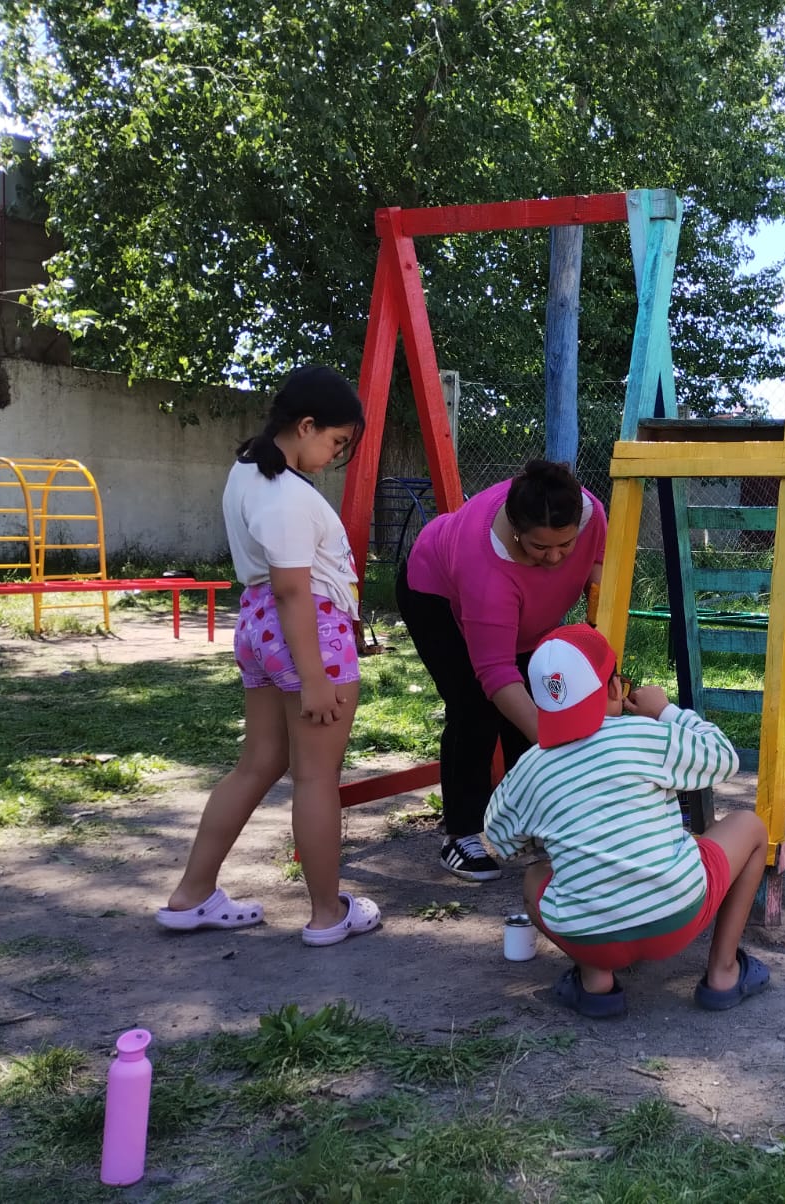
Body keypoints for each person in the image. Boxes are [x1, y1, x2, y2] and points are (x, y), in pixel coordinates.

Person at [156, 365, 381, 946]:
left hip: (256, 625)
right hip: (305, 632)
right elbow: (292, 588)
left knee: (257, 763)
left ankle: (191, 895)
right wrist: (313, 677)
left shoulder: (247, 473)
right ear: (306, 425)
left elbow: (274, 590)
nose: (334, 456)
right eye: (335, 442)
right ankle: (328, 914)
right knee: (316, 777)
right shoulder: (283, 494)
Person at [483, 625, 771, 1018]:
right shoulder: (645, 734)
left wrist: (547, 834)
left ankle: (595, 982)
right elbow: (723, 756)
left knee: (536, 876)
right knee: (750, 826)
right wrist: (665, 711)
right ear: (616, 687)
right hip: (677, 916)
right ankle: (723, 973)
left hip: (589, 937)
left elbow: (499, 840)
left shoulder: (530, 767)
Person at [397, 461, 606, 883]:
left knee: (541, 692)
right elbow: (496, 674)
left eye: (564, 545)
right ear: (515, 531)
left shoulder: (590, 514)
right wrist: (559, 743)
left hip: (522, 612)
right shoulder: (485, 564)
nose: (555, 557)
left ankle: (527, 819)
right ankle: (462, 832)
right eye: (540, 547)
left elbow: (600, 578)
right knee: (474, 706)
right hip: (436, 595)